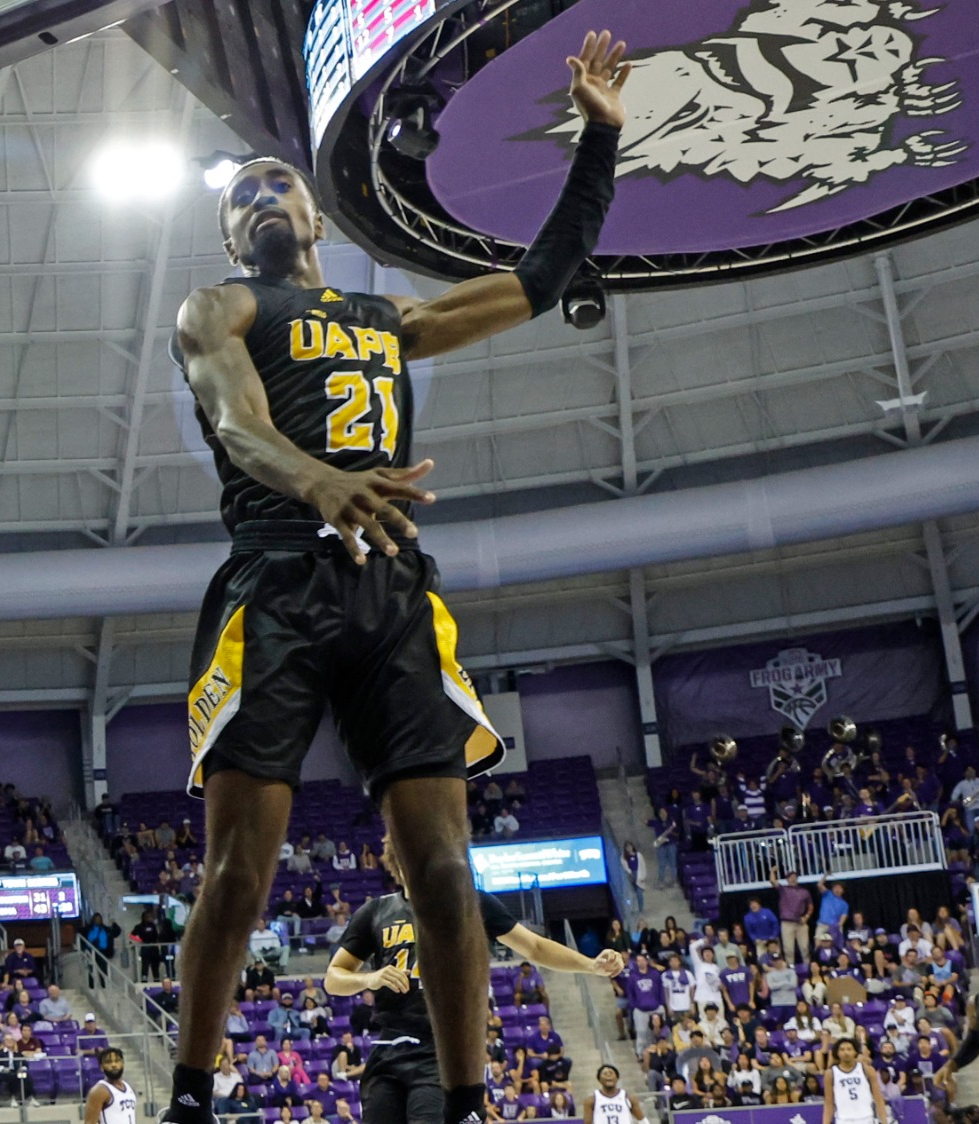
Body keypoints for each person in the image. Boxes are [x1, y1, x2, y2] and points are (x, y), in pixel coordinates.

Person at [163, 30, 631, 1124]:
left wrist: (596, 139)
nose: (263, 196)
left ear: (316, 217)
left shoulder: (388, 319)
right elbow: (236, 423)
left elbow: (541, 276)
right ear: (230, 234)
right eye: (242, 195)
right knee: (237, 869)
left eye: (278, 181)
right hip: (272, 582)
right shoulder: (218, 308)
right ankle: (189, 1093)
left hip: (388, 586)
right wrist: (318, 480)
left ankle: (468, 1103)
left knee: (441, 866)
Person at [324, 836, 627, 1123]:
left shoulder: (470, 904)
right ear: (395, 861)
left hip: (442, 1050)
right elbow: (334, 978)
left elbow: (533, 946)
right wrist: (370, 978)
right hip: (387, 1048)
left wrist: (590, 965)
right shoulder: (375, 912)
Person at [823, 1039, 887, 1124]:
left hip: (866, 1118)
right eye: (842, 1049)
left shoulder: (867, 1070)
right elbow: (828, 1103)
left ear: (855, 1052)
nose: (846, 1052)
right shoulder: (830, 1073)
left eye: (849, 1049)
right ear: (837, 1053)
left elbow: (878, 1098)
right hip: (843, 1120)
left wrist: (884, 1121)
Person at [84, 1048, 137, 1124]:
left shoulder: (129, 1088)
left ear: (123, 1063)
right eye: (108, 1062)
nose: (113, 1065)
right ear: (101, 1067)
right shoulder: (99, 1091)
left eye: (117, 1061)